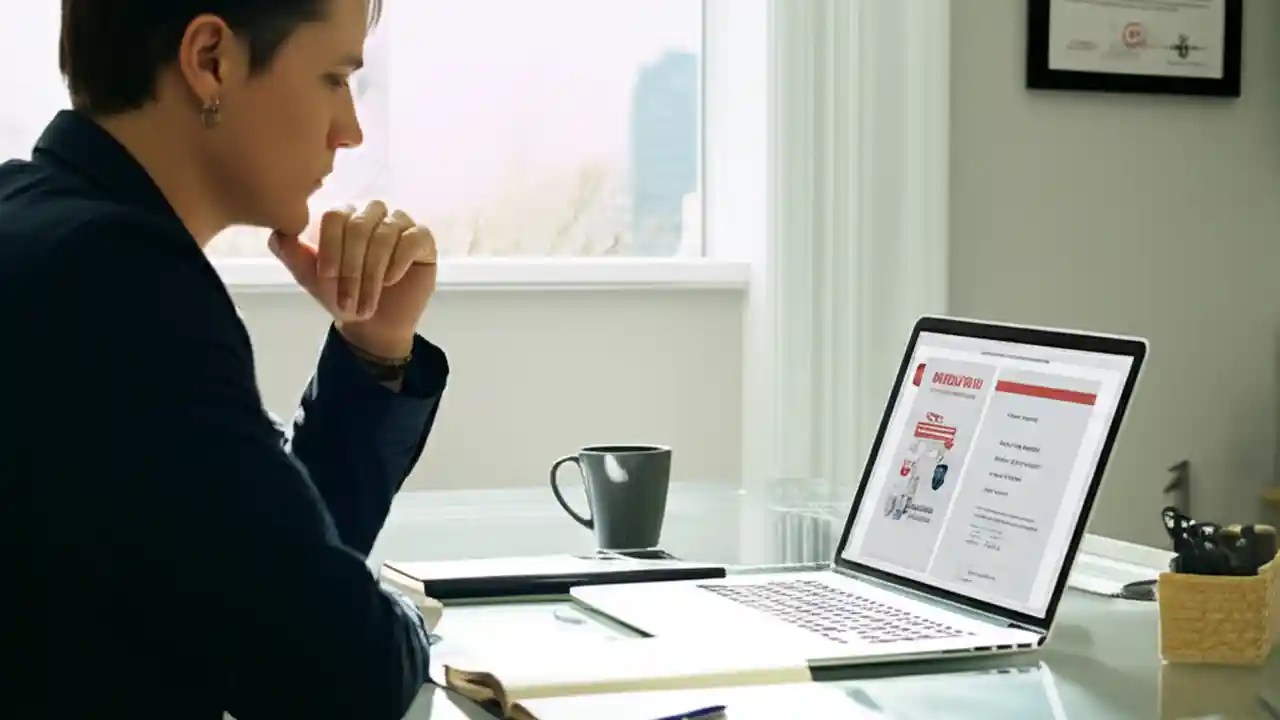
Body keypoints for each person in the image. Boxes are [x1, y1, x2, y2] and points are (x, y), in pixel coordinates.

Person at [0, 1, 448, 717]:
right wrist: (412, 620)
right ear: (211, 59)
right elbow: (336, 673)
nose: (350, 131)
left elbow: (255, 574)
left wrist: (374, 344)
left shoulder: (38, 228)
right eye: (334, 78)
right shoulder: (121, 282)